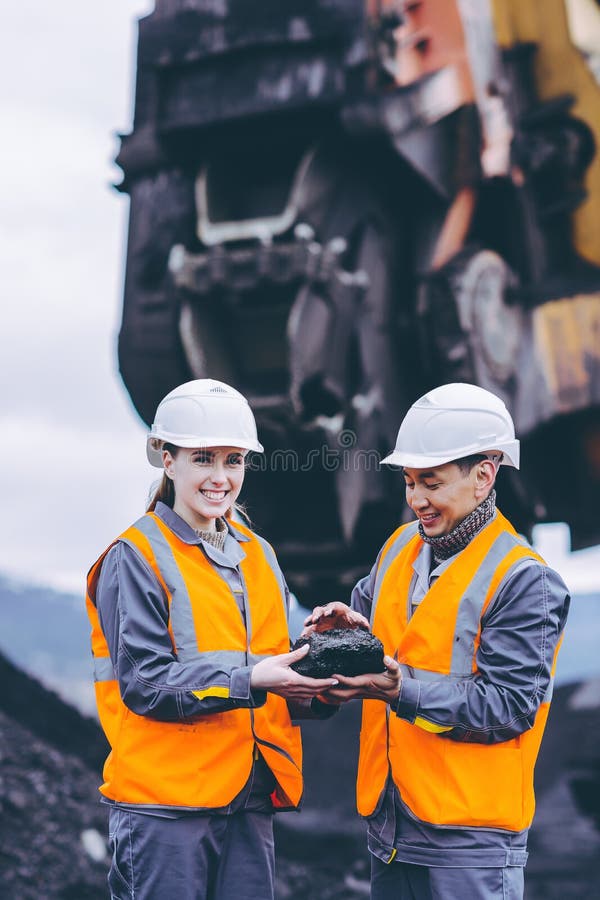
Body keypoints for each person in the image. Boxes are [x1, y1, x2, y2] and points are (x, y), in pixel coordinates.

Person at [304, 382, 570, 900]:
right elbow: (380, 637)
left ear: (484, 475)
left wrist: (397, 688)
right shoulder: (402, 546)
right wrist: (346, 630)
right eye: (408, 481)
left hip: (470, 845)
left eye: (431, 481)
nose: (414, 499)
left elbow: (511, 706)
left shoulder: (524, 580)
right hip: (392, 831)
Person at [85, 378, 344, 900]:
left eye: (234, 460)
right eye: (204, 458)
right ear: (167, 459)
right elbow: (146, 685)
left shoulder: (258, 554)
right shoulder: (135, 557)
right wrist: (251, 678)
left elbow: (267, 672)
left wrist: (319, 671)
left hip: (248, 798)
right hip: (167, 809)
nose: (221, 478)